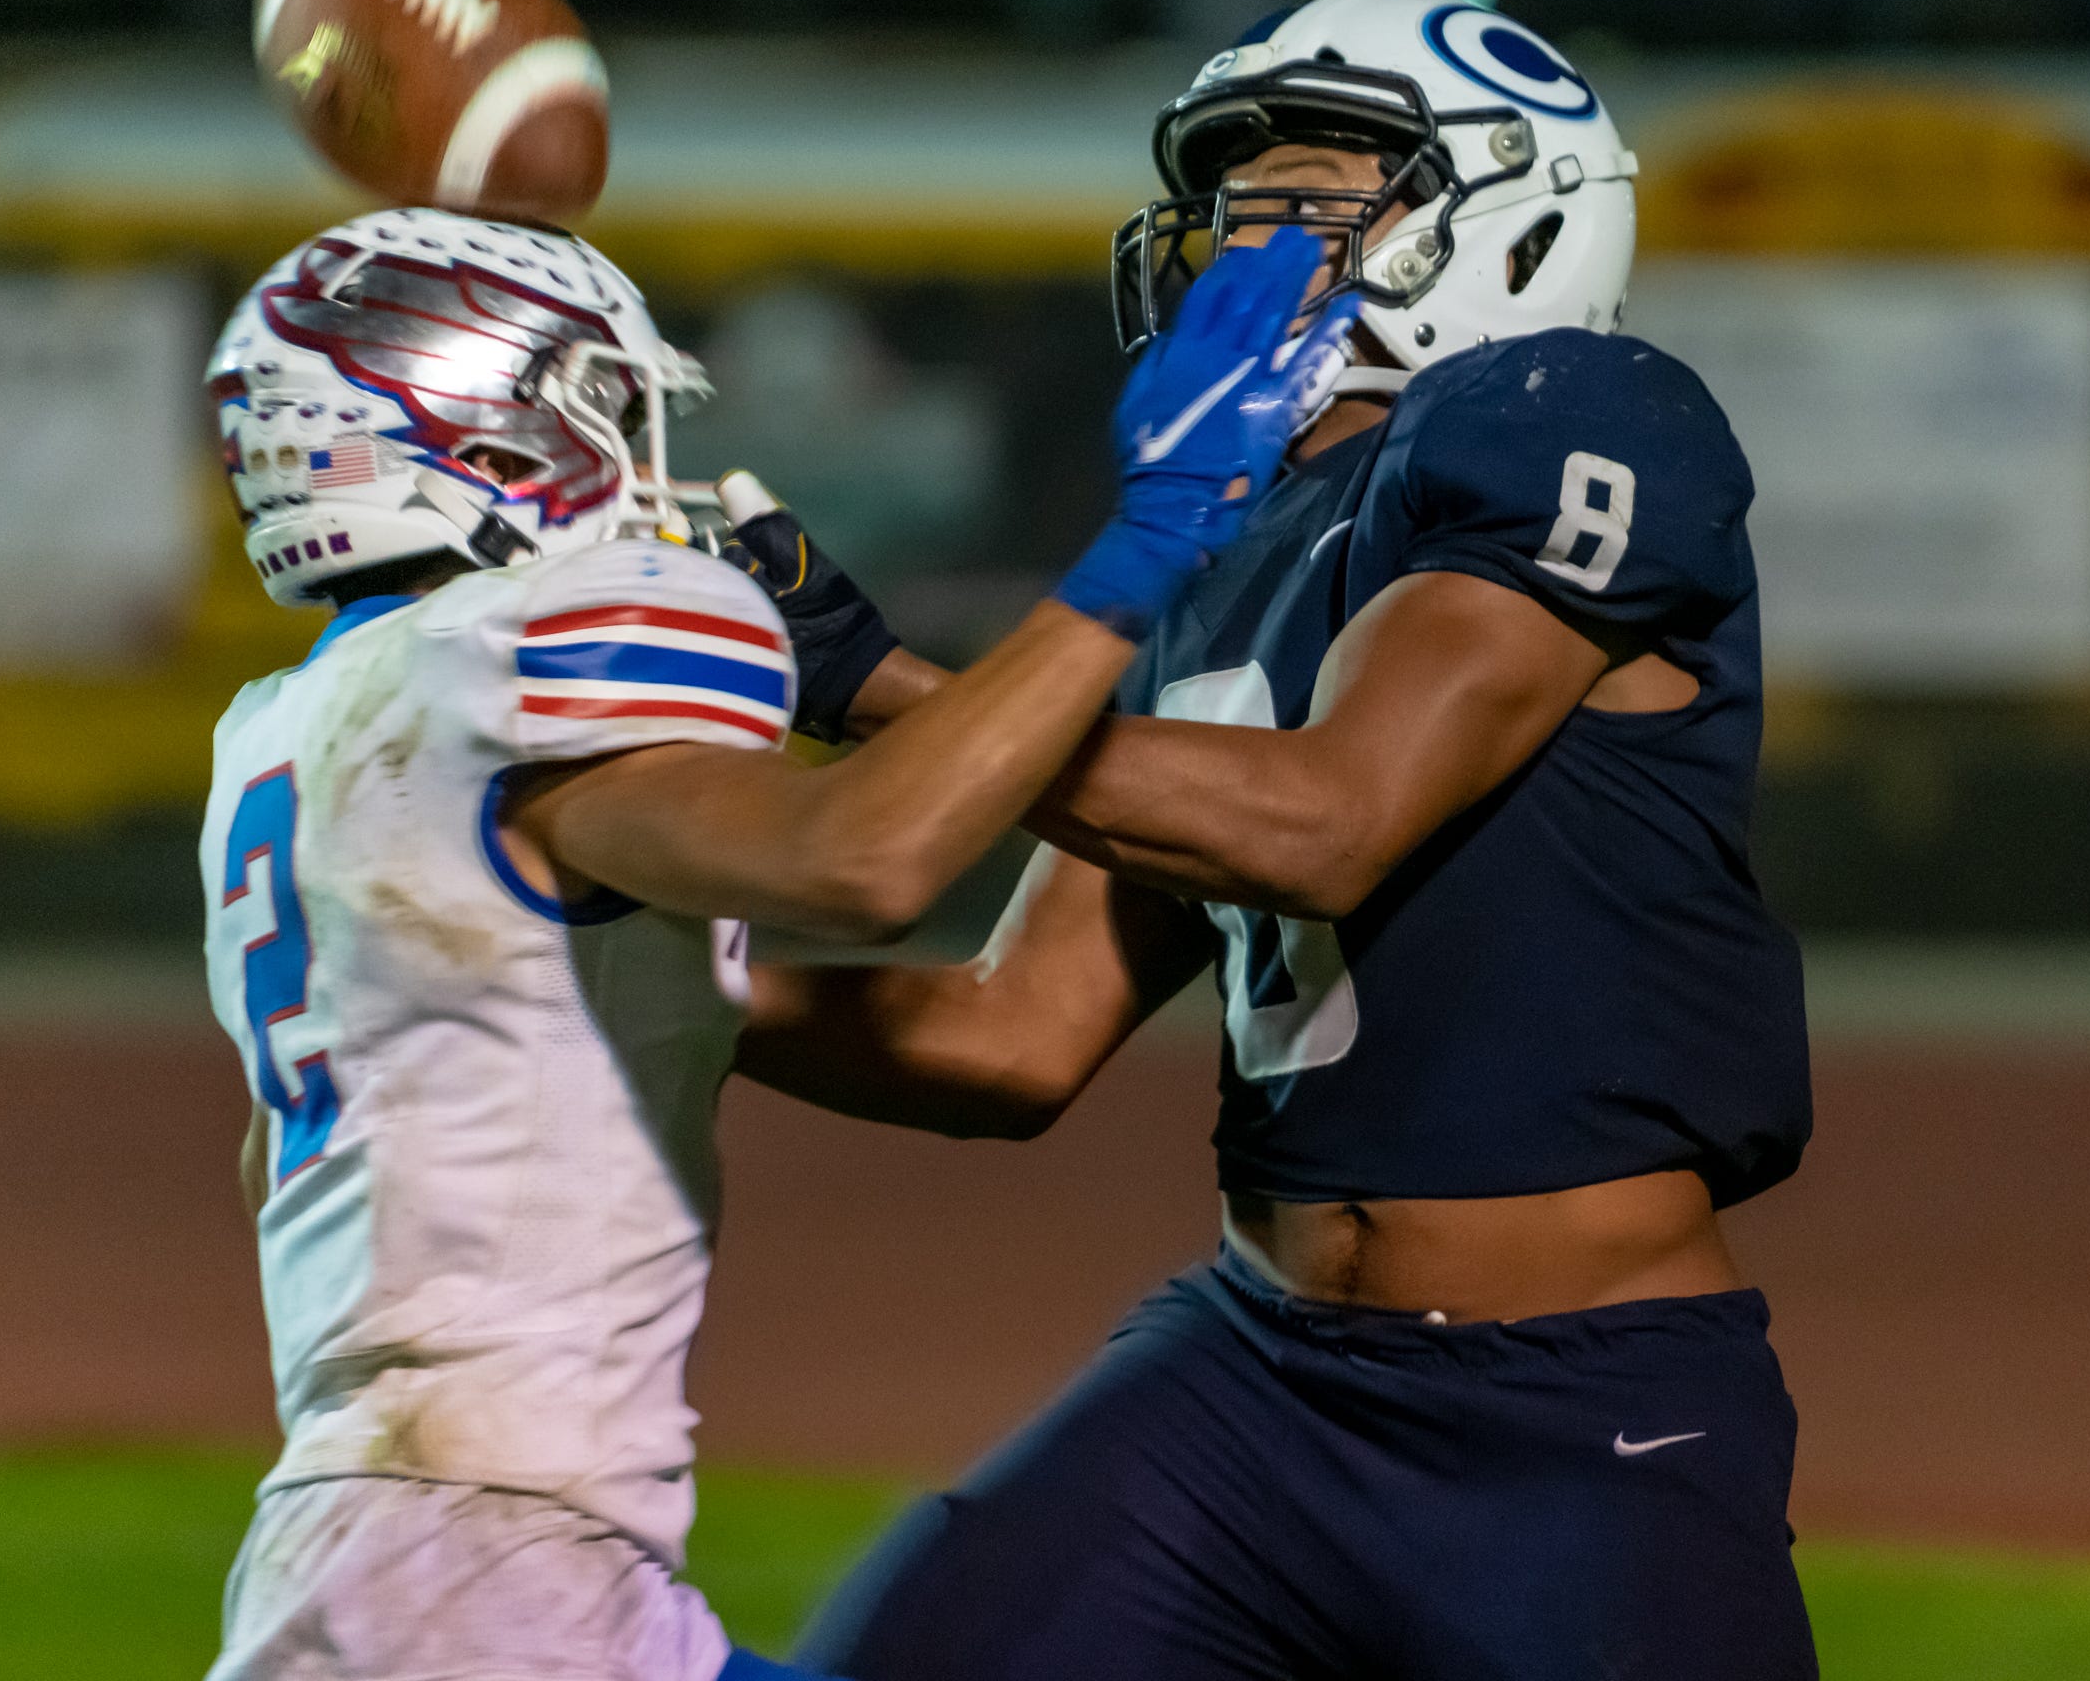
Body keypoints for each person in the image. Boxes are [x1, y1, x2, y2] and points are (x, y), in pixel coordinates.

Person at [722, 0, 1819, 1680]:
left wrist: (874, 685)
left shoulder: (1569, 411)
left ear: (1512, 221)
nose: (1249, 253)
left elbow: (1328, 823)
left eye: (1314, 203)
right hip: (1258, 1373)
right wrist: (668, 996)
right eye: (1232, 210)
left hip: (1571, 1405)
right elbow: (1011, 1038)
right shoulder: (1214, 550)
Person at [193, 205, 1339, 1681]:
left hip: (431, 1551)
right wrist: (1139, 556)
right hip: (479, 1578)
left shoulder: (300, 728)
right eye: (603, 406)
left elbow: (299, 1143)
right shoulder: (494, 674)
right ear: (476, 436)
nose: (638, 460)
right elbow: (866, 859)